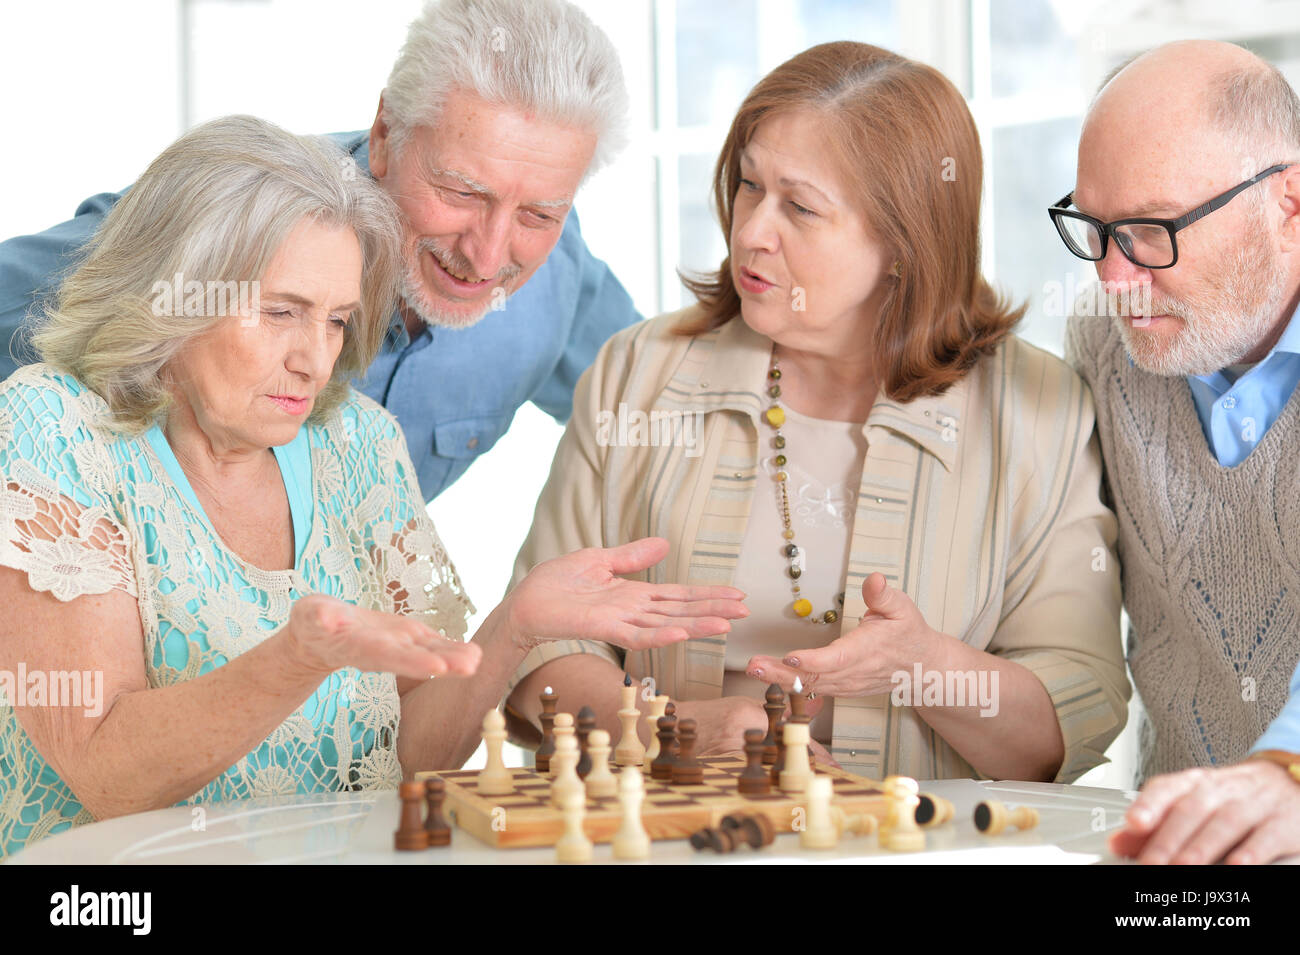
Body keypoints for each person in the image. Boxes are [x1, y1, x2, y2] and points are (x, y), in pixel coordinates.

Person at [0, 115, 746, 860]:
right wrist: (299, 656)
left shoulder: (358, 442)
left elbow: (414, 754)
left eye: (336, 321)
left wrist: (514, 624)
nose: (314, 360)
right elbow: (105, 773)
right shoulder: (55, 426)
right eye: (282, 311)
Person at [502, 42, 1130, 784]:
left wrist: (921, 667)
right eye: (748, 186)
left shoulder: (1040, 412)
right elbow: (535, 652)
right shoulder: (636, 374)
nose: (751, 232)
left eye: (800, 207)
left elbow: (1067, 724)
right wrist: (674, 728)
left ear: (903, 244)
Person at [0, 0, 639, 500]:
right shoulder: (231, 215)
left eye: (538, 212)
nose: (488, 254)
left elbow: (678, 415)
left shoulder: (561, 278)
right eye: (461, 192)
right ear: (386, 134)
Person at [1058, 39, 1300, 864]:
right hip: (1173, 863)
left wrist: (1285, 773)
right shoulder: (1102, 344)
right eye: (1094, 229)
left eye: (1151, 230)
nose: (1115, 278)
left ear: (1290, 202)